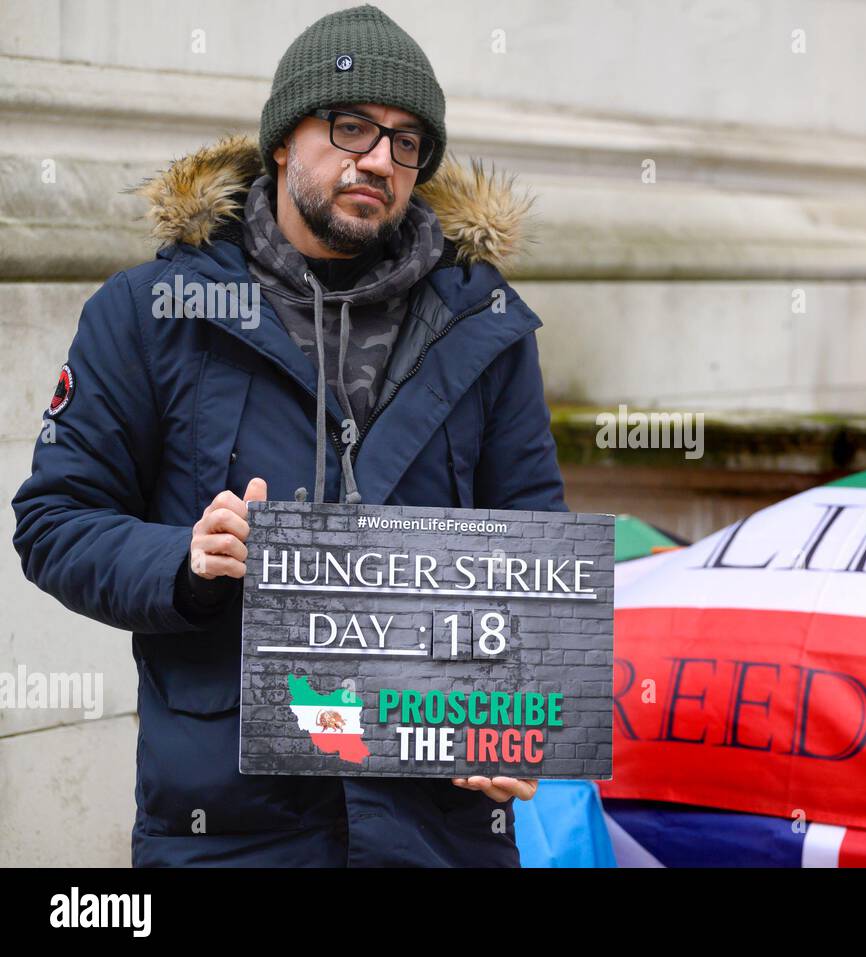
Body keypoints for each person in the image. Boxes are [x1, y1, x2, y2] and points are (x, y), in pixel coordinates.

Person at [10, 4, 565, 867]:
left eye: (407, 141)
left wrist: (513, 713)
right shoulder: (151, 313)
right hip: (227, 831)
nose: (379, 159)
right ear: (280, 139)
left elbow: (536, 558)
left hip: (434, 835)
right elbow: (55, 520)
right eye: (351, 126)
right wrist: (184, 562)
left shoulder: (484, 324)